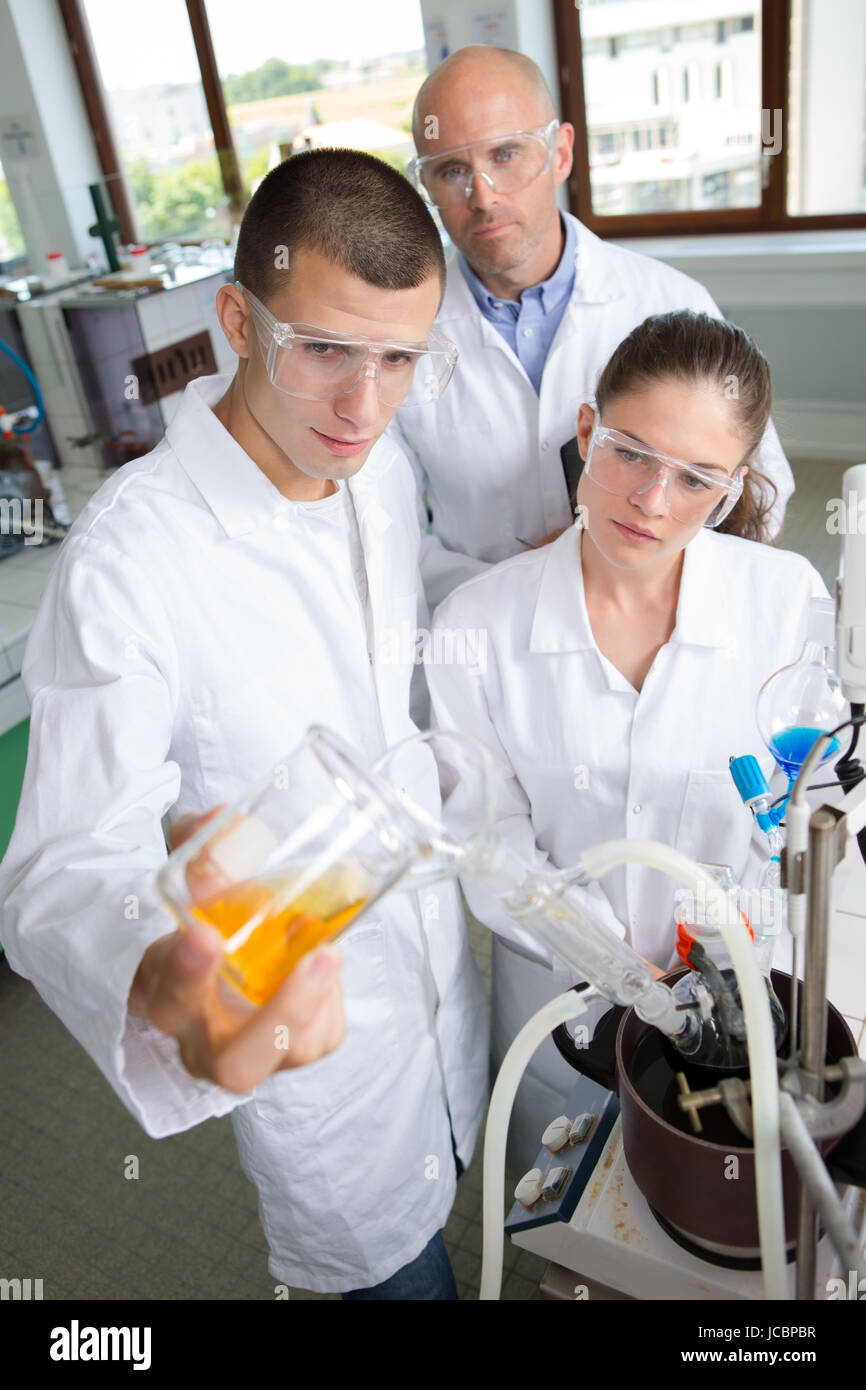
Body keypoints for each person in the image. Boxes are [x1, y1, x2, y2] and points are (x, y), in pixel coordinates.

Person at [0, 150, 488, 1298]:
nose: (361, 404)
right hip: (314, 1062)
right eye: (322, 347)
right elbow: (58, 868)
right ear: (236, 318)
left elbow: (388, 599)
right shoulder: (133, 560)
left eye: (398, 359)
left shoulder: (366, 462)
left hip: (437, 978)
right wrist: (163, 969)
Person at [426, 310, 826, 1175]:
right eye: (630, 452)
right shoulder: (478, 626)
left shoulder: (784, 601)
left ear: (734, 487)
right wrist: (613, 960)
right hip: (563, 1003)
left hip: (745, 985)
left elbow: (820, 799)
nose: (651, 500)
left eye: (696, 479)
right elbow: (485, 841)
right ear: (585, 433)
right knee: (566, 1202)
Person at [391, 45, 796, 610]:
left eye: (506, 154)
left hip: (651, 625)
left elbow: (759, 498)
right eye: (452, 170)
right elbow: (393, 538)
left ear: (560, 153)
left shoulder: (670, 301)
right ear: (426, 185)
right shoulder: (394, 338)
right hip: (487, 626)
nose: (483, 196)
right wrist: (529, 584)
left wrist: (616, 566)